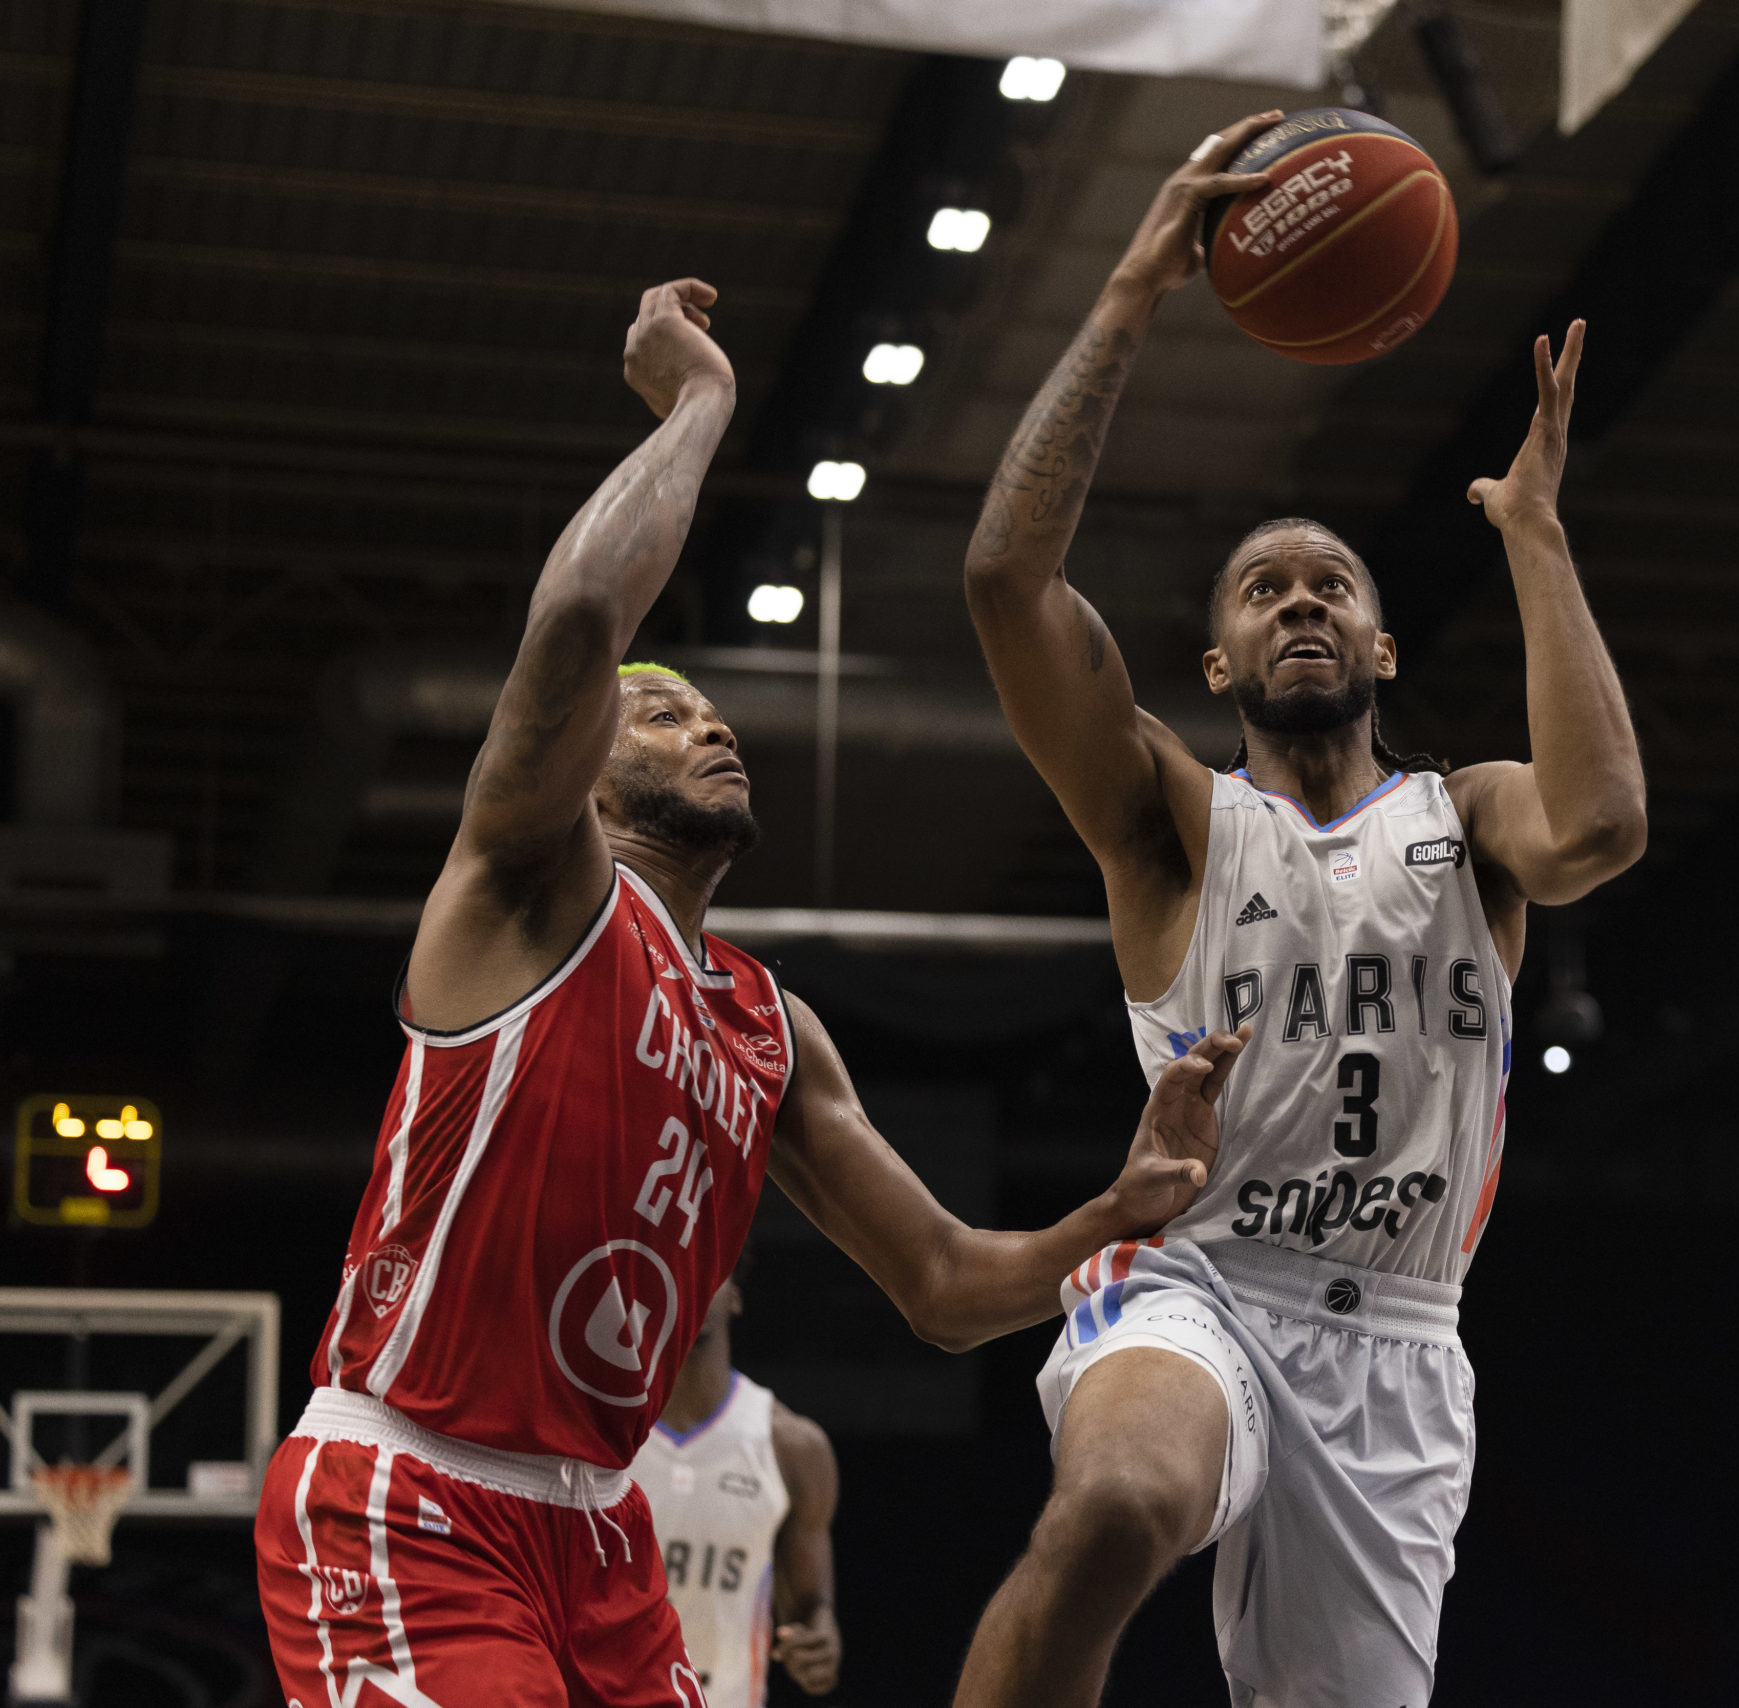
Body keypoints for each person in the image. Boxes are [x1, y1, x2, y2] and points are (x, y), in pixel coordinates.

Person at [251, 278, 1246, 1708]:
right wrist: (706, 401)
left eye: (713, 712)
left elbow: (949, 1288)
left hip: (600, 1534)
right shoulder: (533, 885)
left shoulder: (772, 1029)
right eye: (663, 712)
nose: (708, 722)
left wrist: (1116, 1212)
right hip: (411, 1486)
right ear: (584, 767)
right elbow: (587, 614)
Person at [954, 113, 1647, 1708]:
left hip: (1404, 1338)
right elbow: (1005, 585)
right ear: (1219, 669)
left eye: (1333, 583)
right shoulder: (1176, 824)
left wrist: (1535, 538)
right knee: (1118, 1503)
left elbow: (1604, 825)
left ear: (1384, 648)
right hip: (1200, 1279)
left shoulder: (1467, 820)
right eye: (1265, 587)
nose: (1304, 601)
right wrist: (1132, 292)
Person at [633, 1272, 840, 1707]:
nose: (690, 1282)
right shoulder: (600, 1436)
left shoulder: (792, 1448)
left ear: (735, 1296)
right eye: (674, 1268)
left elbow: (812, 1609)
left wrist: (819, 1644)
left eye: (708, 1267)